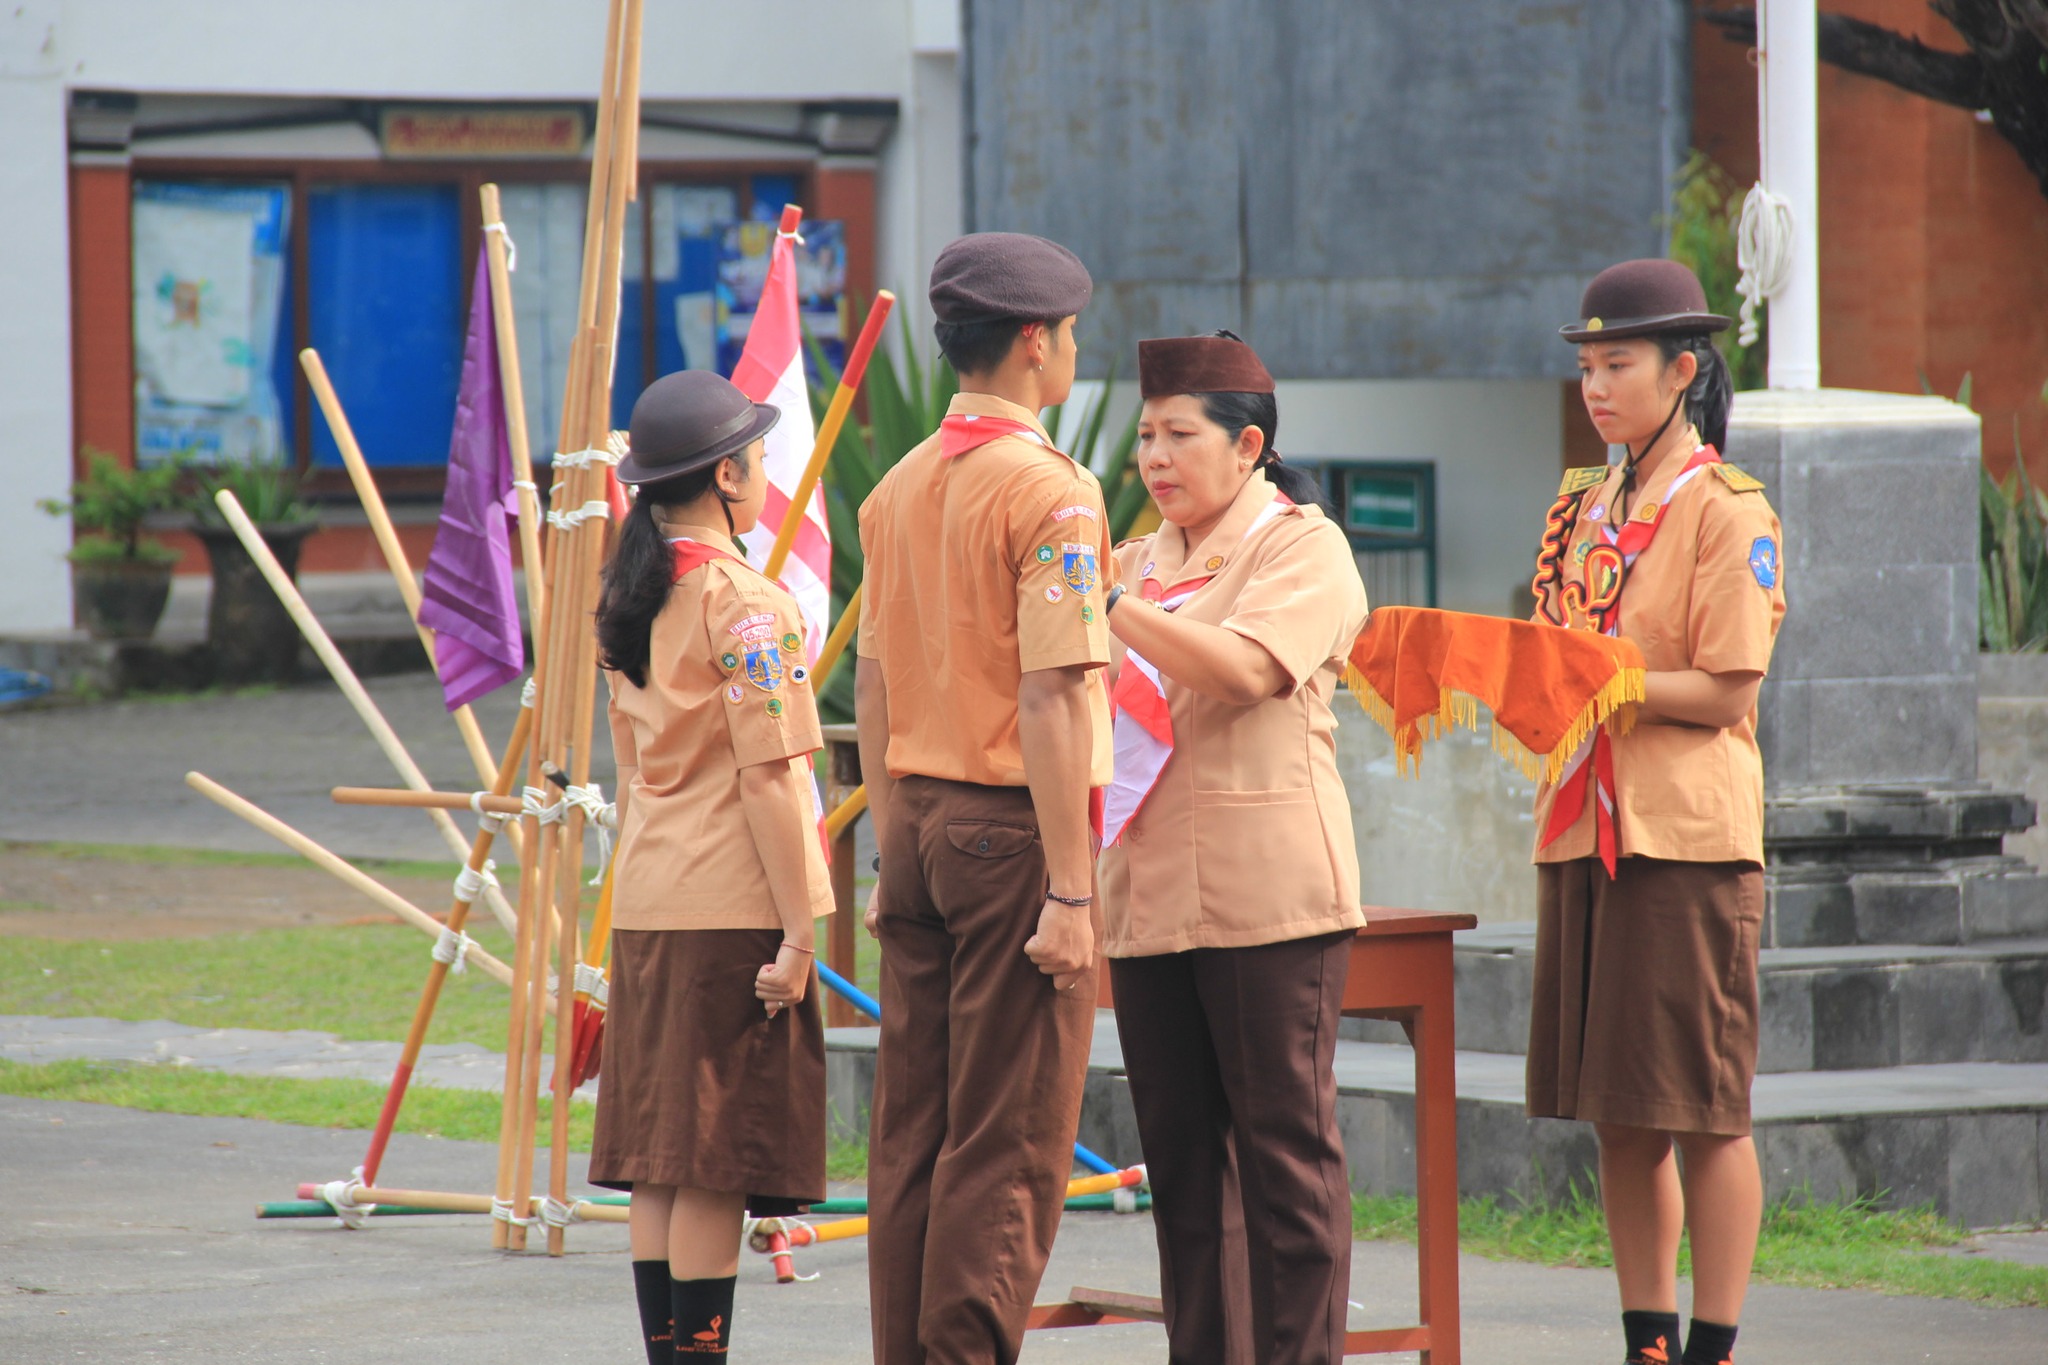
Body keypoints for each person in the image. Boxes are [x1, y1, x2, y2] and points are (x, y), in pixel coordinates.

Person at [854, 231, 1112, 1365]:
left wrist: (883, 850)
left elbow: (869, 685)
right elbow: (1053, 696)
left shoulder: (898, 486)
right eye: (1070, 332)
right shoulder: (1054, 492)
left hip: (913, 817)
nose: (1073, 349)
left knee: (914, 1127)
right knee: (1007, 1139)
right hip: (1010, 830)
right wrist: (1072, 889)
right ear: (1033, 342)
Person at [1526, 259, 1787, 1365]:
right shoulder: (1582, 505)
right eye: (1586, 367)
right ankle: (1647, 1340)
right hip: (1584, 826)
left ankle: (1713, 1345)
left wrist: (1606, 681)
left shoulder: (1727, 509)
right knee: (1619, 1110)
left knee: (1704, 1111)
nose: (1595, 387)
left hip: (1681, 840)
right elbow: (1551, 653)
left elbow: (1728, 688)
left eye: (1617, 365)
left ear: (1682, 371)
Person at [1097, 331, 1370, 1365]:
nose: (1155, 458)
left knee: (1283, 1168)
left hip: (1269, 902)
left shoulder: (1300, 546)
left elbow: (1248, 669)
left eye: (1179, 435)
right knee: (1182, 1178)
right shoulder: (1133, 561)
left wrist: (1109, 609)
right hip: (1148, 899)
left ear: (1248, 444)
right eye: (1145, 437)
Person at [590, 369, 835, 1363]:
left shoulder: (631, 593)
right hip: (730, 905)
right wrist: (801, 930)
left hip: (650, 894)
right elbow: (770, 778)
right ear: (727, 477)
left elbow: (631, 766)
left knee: (661, 1157)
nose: (765, 472)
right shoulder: (743, 603)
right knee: (713, 1161)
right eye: (759, 457)